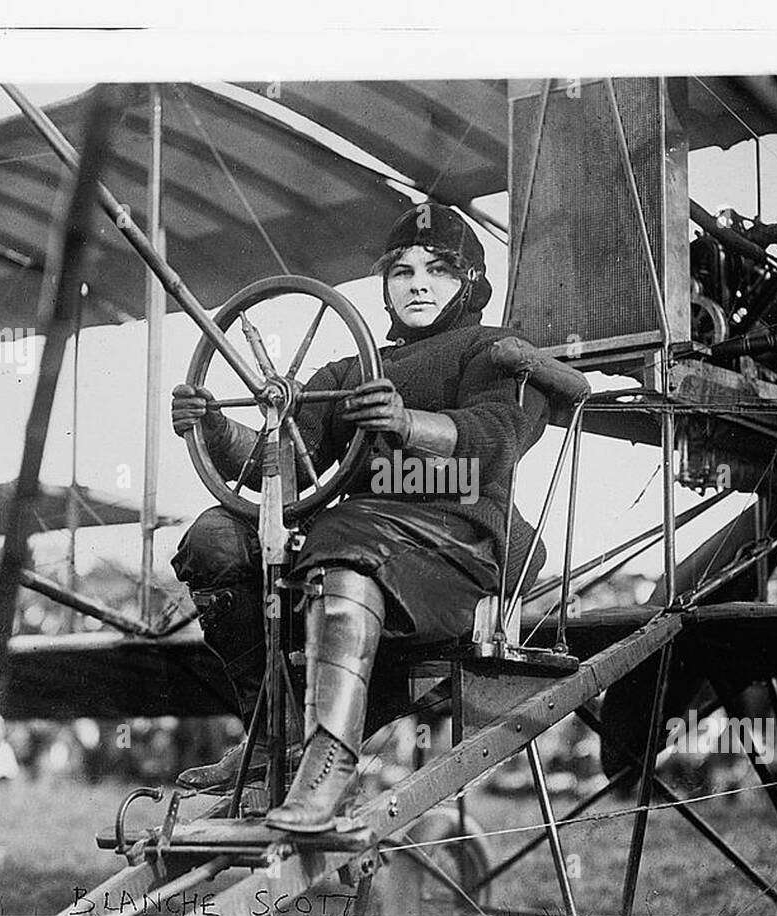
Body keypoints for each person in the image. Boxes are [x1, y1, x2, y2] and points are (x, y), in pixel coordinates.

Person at [169, 203, 550, 833]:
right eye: (400, 272)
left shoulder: (496, 352)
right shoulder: (352, 370)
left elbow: (496, 437)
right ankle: (272, 735)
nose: (417, 284)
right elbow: (284, 464)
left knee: (344, 530)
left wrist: (409, 426)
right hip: (359, 547)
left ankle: (327, 766)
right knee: (214, 539)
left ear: (473, 282)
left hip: (460, 554)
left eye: (438, 270)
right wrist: (212, 424)